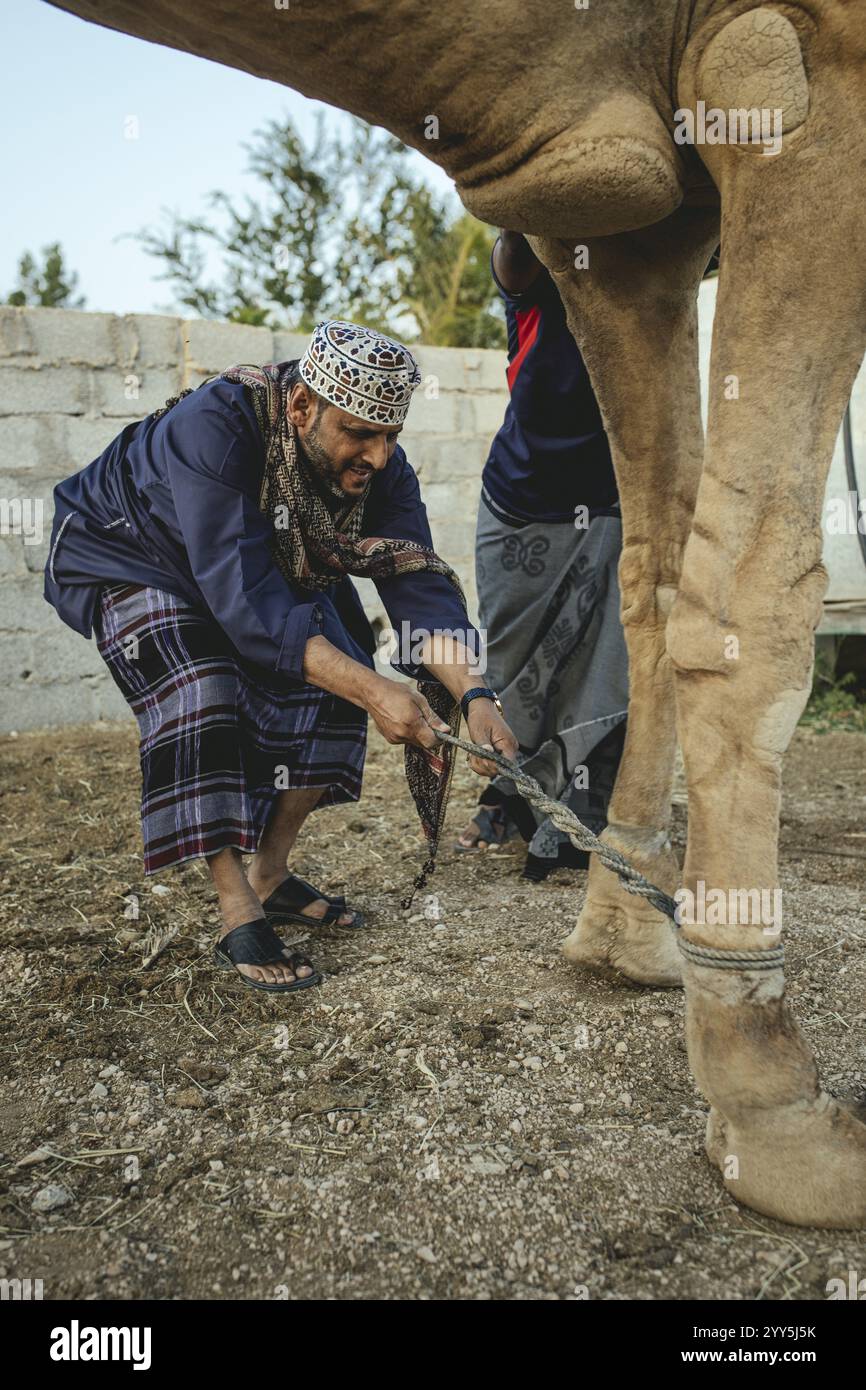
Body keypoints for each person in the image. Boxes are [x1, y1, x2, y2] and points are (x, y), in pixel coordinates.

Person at [45, 320, 518, 993]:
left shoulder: (381, 463)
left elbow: (416, 583)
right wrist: (377, 692)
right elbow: (249, 606)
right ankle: (235, 902)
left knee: (345, 660)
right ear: (302, 409)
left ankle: (270, 873)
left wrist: (475, 694)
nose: (378, 457)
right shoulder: (217, 426)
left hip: (240, 560)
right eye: (360, 434)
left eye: (390, 437)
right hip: (128, 550)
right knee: (201, 686)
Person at [456, 232, 628, 881]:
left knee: (599, 662)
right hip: (520, 498)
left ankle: (573, 818)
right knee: (514, 657)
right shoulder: (535, 266)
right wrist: (530, 213)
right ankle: (509, 797)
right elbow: (511, 253)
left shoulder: (639, 270)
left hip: (611, 497)